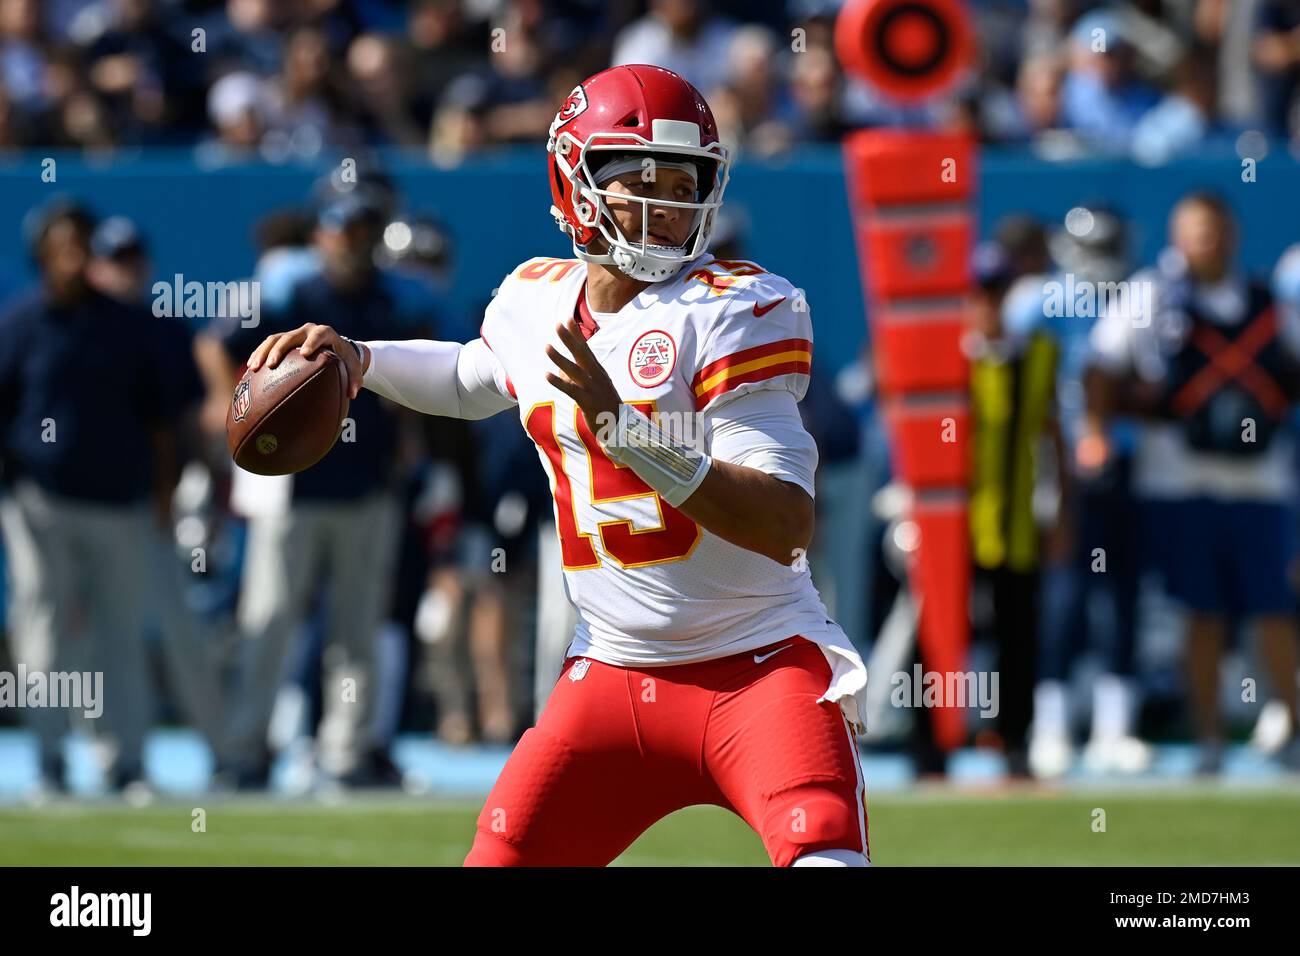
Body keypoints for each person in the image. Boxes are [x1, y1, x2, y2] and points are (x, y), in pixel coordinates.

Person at [244, 64, 869, 866]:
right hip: (611, 675)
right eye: (638, 182)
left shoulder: (733, 310)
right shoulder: (535, 299)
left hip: (758, 665)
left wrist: (631, 436)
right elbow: (473, 378)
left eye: (683, 183)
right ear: (575, 182)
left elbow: (784, 524)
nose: (665, 205)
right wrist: (360, 358)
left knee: (823, 855)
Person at [200, 190, 433, 789]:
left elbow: (406, 376)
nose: (351, 242)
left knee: (356, 629)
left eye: (361, 230)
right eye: (341, 230)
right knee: (269, 620)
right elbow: (215, 343)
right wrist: (241, 412)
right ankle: (247, 750)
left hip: (367, 485)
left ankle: (346, 753)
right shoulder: (291, 293)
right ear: (320, 236)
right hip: (293, 487)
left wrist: (406, 435)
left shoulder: (390, 300)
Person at [1086, 191, 1300, 774]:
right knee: (1199, 611)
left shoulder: (1268, 300)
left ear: (1232, 234)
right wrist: (1099, 430)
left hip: (1259, 481)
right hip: (1178, 479)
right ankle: (1210, 739)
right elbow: (1101, 366)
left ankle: (1291, 728)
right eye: (1195, 230)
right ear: (1177, 237)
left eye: (1215, 229)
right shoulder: (1150, 297)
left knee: (1273, 608)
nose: (1207, 240)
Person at [0, 199, 175, 795]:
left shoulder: (126, 325)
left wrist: (163, 495)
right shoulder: (20, 324)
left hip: (119, 502)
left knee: (119, 635)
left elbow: (159, 422)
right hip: (39, 504)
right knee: (43, 631)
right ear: (43, 252)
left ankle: (127, 762)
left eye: (83, 242)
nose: (75, 256)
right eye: (63, 244)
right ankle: (50, 761)